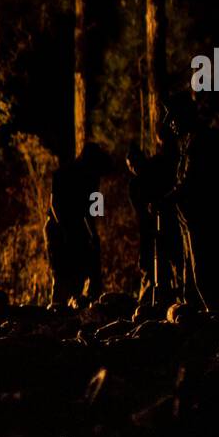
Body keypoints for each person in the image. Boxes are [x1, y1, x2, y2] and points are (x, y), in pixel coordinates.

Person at [165, 102, 219, 311]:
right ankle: (209, 316)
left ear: (185, 117)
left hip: (204, 217)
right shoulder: (195, 141)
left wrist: (168, 199)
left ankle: (217, 318)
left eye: (173, 119)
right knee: (198, 273)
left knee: (205, 274)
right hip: (196, 218)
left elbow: (190, 181)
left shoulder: (199, 143)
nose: (171, 125)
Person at [46, 143, 111, 306]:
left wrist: (94, 235)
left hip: (79, 228)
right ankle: (58, 310)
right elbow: (54, 204)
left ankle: (75, 308)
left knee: (80, 273)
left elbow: (95, 211)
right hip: (58, 227)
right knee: (61, 274)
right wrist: (64, 229)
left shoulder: (94, 178)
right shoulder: (62, 173)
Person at [126, 131, 182, 306]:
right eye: (131, 166)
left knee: (176, 264)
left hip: (170, 226)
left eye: (136, 163)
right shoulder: (134, 186)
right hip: (149, 231)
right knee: (151, 270)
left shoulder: (157, 168)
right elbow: (141, 213)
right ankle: (150, 303)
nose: (134, 168)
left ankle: (179, 299)